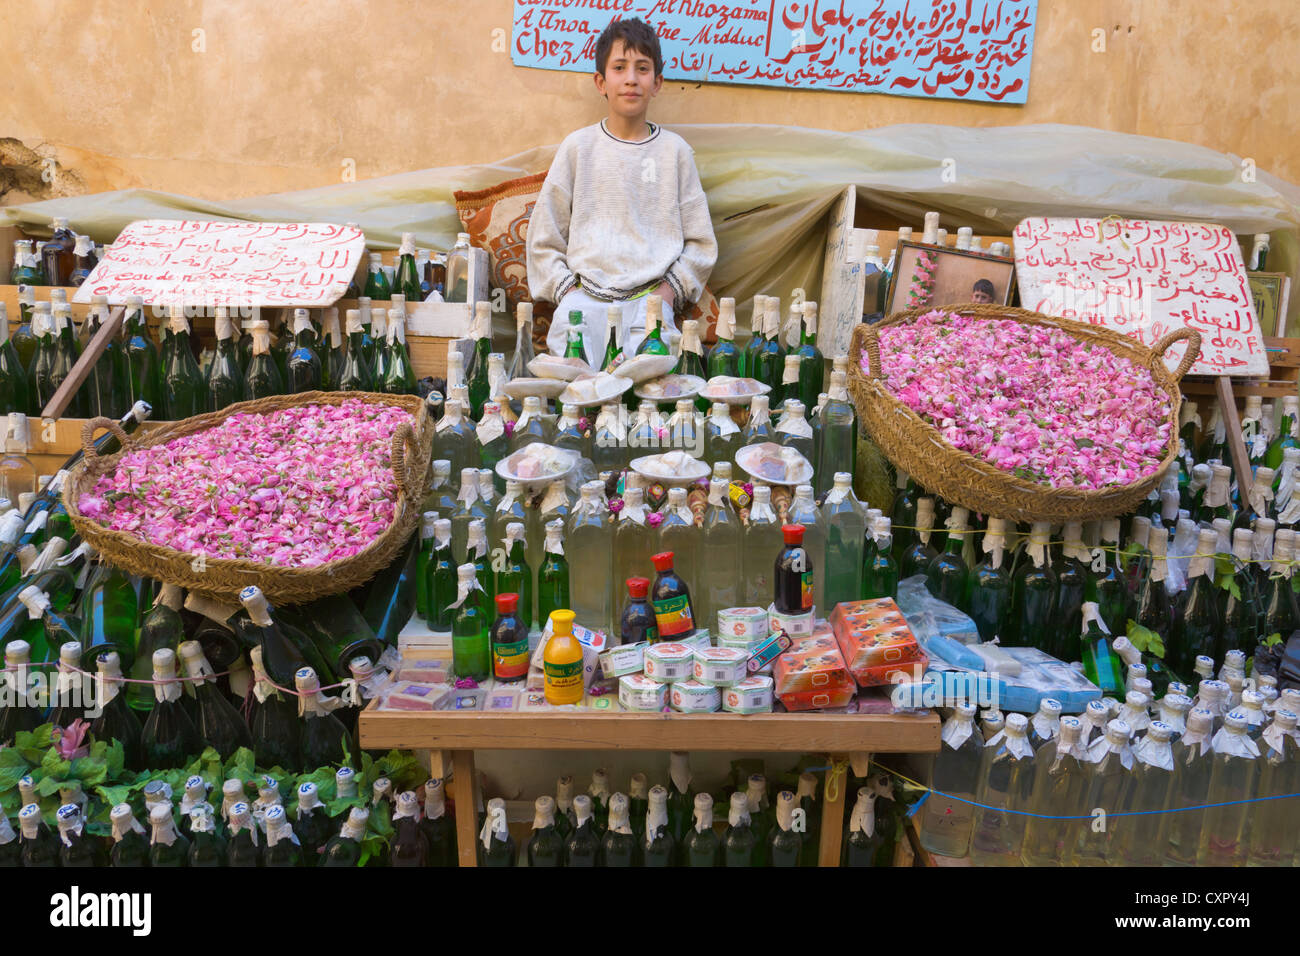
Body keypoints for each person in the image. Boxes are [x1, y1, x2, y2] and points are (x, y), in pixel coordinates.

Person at [527, 17, 718, 365]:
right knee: (578, 402)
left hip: (650, 306)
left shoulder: (674, 152)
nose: (631, 78)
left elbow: (701, 243)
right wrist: (568, 292)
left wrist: (666, 294)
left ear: (657, 82)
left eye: (642, 68)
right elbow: (543, 238)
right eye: (619, 67)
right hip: (582, 304)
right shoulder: (578, 148)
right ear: (601, 81)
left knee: (649, 402)